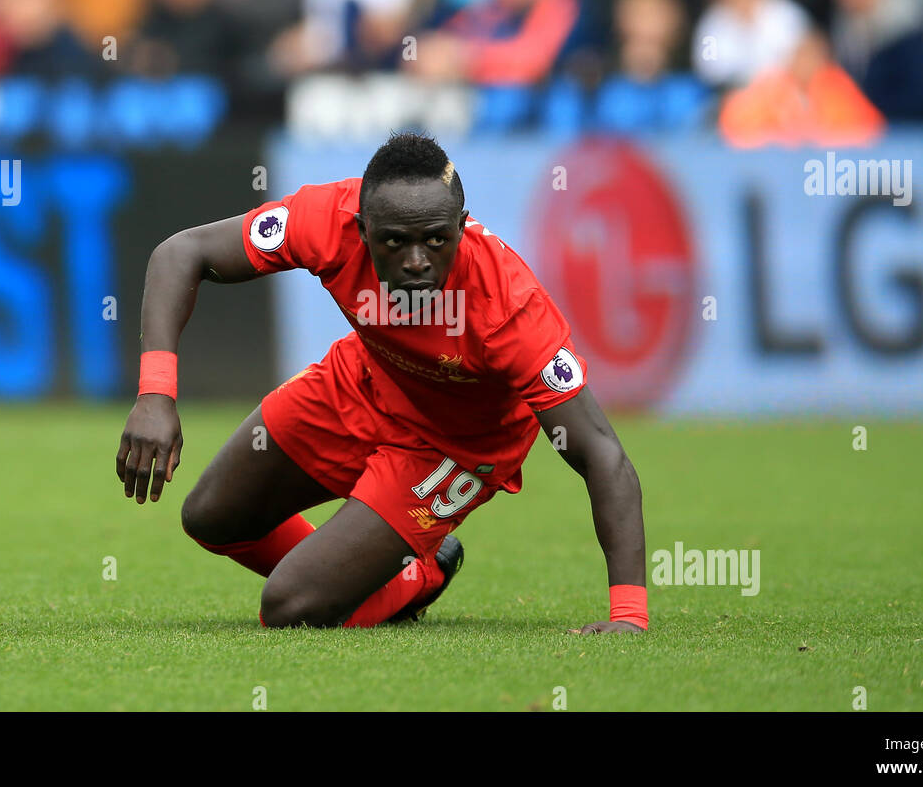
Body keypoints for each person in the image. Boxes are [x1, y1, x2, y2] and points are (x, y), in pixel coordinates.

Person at [115, 132, 648, 632]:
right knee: (211, 518)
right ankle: (382, 569)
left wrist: (628, 614)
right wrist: (156, 394)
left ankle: (420, 575)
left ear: (462, 225)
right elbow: (181, 253)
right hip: (363, 380)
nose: (417, 262)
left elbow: (602, 453)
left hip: (453, 446)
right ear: (361, 227)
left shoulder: (509, 307)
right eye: (394, 242)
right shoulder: (325, 219)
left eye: (437, 240)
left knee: (289, 607)